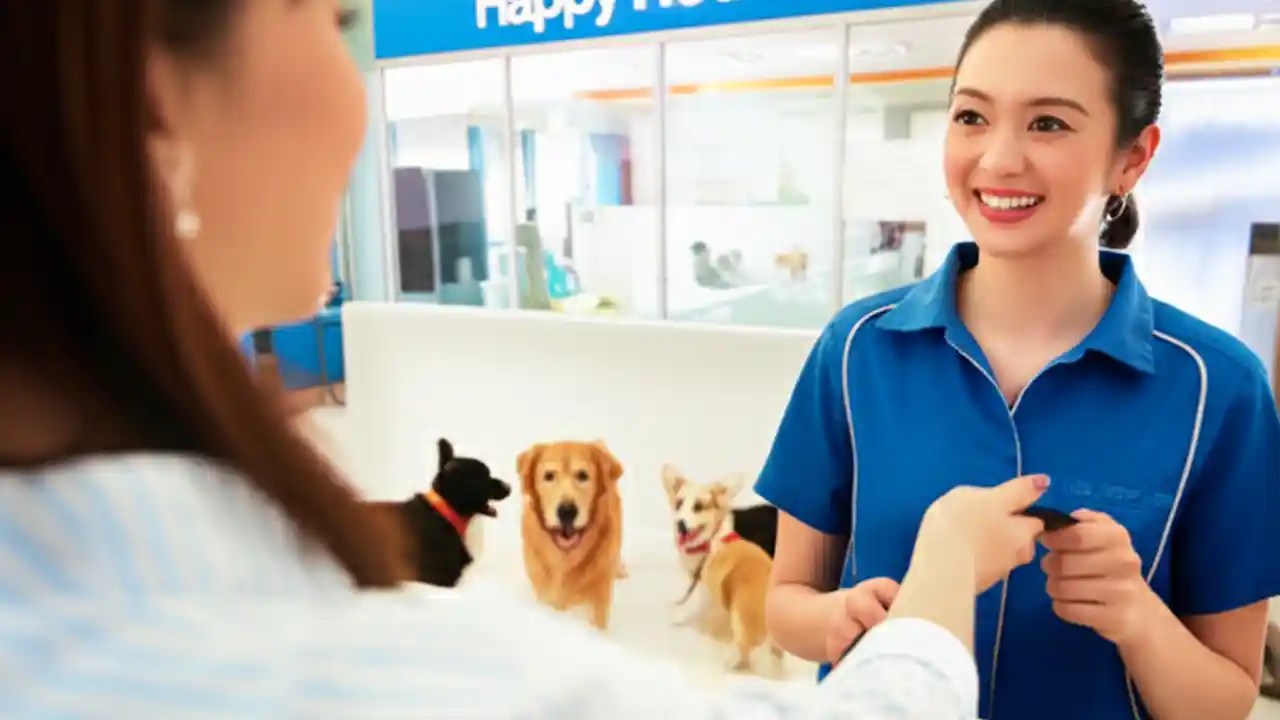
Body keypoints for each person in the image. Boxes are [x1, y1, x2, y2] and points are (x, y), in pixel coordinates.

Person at [0, 1, 1051, 717]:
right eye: (325, 17)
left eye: (1045, 123)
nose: (354, 93)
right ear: (150, 90)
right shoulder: (316, 660)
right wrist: (944, 562)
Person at [757, 1, 1280, 719]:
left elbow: (1226, 699)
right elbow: (787, 603)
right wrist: (843, 620)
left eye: (1049, 123)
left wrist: (1136, 615)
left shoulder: (1219, 390)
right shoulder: (856, 351)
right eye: (972, 116)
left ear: (1133, 156)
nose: (998, 158)